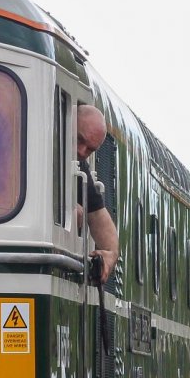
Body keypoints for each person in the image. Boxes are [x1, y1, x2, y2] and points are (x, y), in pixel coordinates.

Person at [75, 104, 119, 282]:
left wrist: (111, 254)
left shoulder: (78, 164)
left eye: (90, 149)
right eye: (79, 139)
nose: (81, 151)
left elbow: (98, 214)